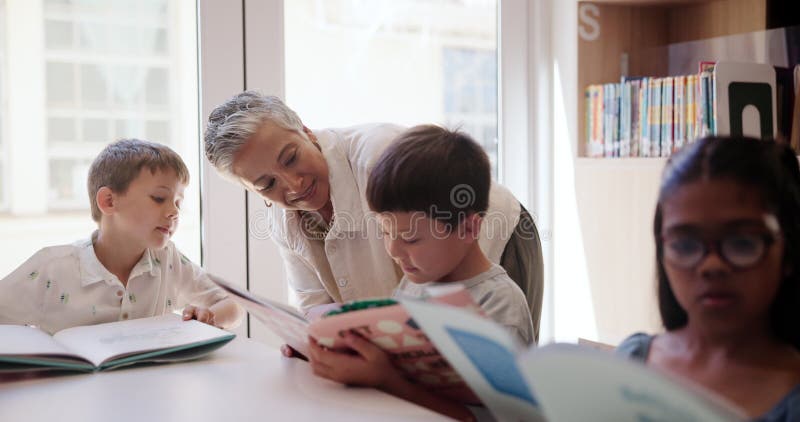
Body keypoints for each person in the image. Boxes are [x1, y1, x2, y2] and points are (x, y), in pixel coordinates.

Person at [203, 91, 544, 346]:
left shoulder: (379, 158)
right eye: (267, 184)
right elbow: (316, 309)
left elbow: (440, 288)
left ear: (306, 132)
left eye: (291, 158)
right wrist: (312, 342)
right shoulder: (283, 221)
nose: (293, 185)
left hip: (485, 233)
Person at [306, 125, 534, 421]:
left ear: (468, 228)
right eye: (385, 232)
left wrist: (386, 379)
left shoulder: (500, 306)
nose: (393, 251)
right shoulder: (415, 283)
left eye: (411, 239)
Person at [617, 136, 800, 421]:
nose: (712, 266)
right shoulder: (632, 361)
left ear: (787, 251)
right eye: (685, 245)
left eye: (742, 242)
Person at [0, 139, 243, 334]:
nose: (174, 211)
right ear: (109, 201)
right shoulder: (52, 268)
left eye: (178, 202)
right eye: (159, 198)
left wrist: (207, 317)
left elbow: (233, 305)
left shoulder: (169, 260)